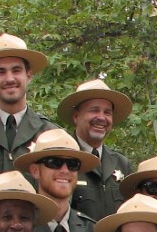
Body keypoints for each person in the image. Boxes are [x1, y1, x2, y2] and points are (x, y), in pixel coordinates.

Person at [0, 34, 57, 186]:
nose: (9, 79)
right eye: (1, 72)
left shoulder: (50, 135)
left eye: (16, 70)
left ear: (28, 75)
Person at [16, 128, 104, 232]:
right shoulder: (18, 231)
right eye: (54, 162)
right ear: (35, 171)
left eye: (72, 164)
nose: (64, 170)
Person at [56, 78, 133, 222]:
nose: (101, 118)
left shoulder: (122, 164)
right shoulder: (61, 160)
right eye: (94, 110)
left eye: (107, 113)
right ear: (76, 116)